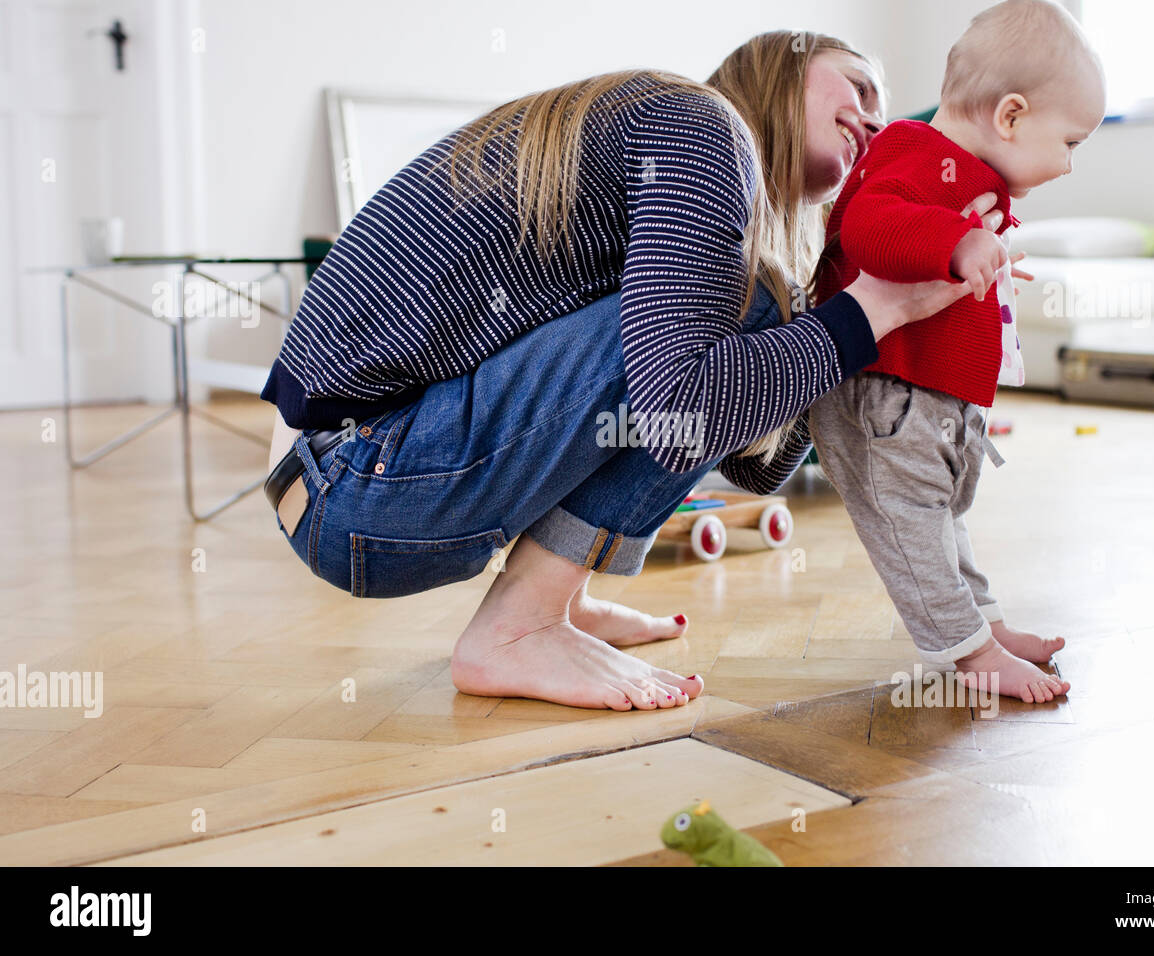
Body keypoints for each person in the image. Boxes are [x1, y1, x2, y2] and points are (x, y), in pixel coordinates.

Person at [261, 31, 1022, 712]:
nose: (877, 120)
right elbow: (675, 408)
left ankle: (554, 596)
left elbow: (749, 466)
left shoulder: (697, 177)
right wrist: (864, 317)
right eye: (856, 86)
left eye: (882, 107)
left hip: (358, 485)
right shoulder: (701, 128)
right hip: (356, 479)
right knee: (741, 314)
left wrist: (850, 310)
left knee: (750, 318)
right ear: (776, 70)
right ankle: (521, 626)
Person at [808, 0, 1106, 703]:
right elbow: (872, 230)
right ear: (1009, 115)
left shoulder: (969, 175)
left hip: (932, 397)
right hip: (884, 391)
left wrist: (988, 258)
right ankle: (966, 655)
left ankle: (984, 627)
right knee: (912, 524)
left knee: (943, 519)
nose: (1068, 165)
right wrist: (960, 244)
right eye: (1069, 142)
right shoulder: (911, 151)